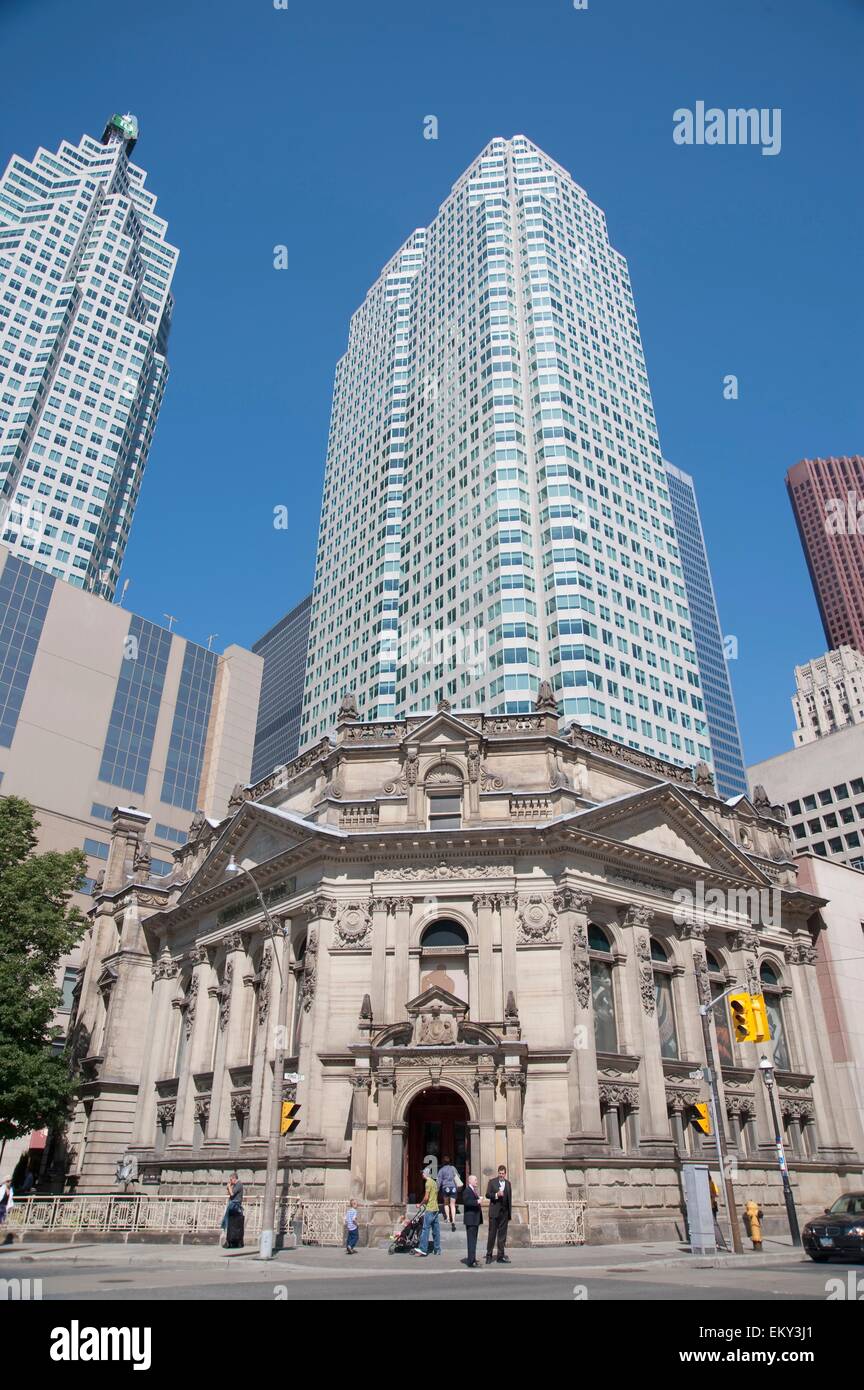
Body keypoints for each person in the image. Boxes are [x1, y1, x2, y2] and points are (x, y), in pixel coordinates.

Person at [485, 1165, 512, 1264]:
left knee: (502, 1235)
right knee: (492, 1234)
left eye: (503, 1173)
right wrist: (496, 1195)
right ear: (498, 1173)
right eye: (500, 1173)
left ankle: (500, 1256)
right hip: (494, 1212)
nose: (501, 1175)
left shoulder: (508, 1184)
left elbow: (510, 1199)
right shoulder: (492, 1182)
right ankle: (489, 1255)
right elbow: (487, 1194)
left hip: (504, 1213)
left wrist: (509, 1214)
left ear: (505, 1174)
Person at [413, 1167, 441, 1257]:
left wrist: (420, 1204)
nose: (422, 1174)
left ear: (426, 1174)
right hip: (436, 1208)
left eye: (423, 1173)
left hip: (430, 1209)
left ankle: (423, 1249)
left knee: (425, 1229)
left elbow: (426, 1197)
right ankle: (437, 1249)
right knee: (436, 1230)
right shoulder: (434, 1182)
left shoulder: (428, 1183)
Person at [462, 1174, 483, 1267]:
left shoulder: (473, 1190)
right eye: (475, 1180)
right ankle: (471, 1261)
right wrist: (477, 1201)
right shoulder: (467, 1190)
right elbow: (467, 1202)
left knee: (473, 1241)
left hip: (475, 1220)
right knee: (471, 1241)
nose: (477, 1182)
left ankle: (473, 1258)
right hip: (471, 1220)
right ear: (470, 1181)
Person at [437, 1154, 462, 1232]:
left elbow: (439, 1181)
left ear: (443, 1162)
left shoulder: (441, 1170)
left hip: (445, 1188)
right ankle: (453, 1220)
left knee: (446, 1204)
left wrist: (437, 1189)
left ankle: (448, 1218)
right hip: (453, 1187)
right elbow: (458, 1176)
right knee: (453, 1204)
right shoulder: (453, 1168)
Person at [222, 1172, 245, 1249]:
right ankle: (230, 1240)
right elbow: (228, 1194)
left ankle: (230, 1241)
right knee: (230, 1224)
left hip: (235, 1205)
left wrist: (229, 1187)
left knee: (231, 1224)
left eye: (231, 1179)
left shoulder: (239, 1184)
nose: (230, 1181)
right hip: (233, 1205)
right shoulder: (235, 1185)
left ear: (234, 1178)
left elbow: (232, 1194)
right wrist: (229, 1187)